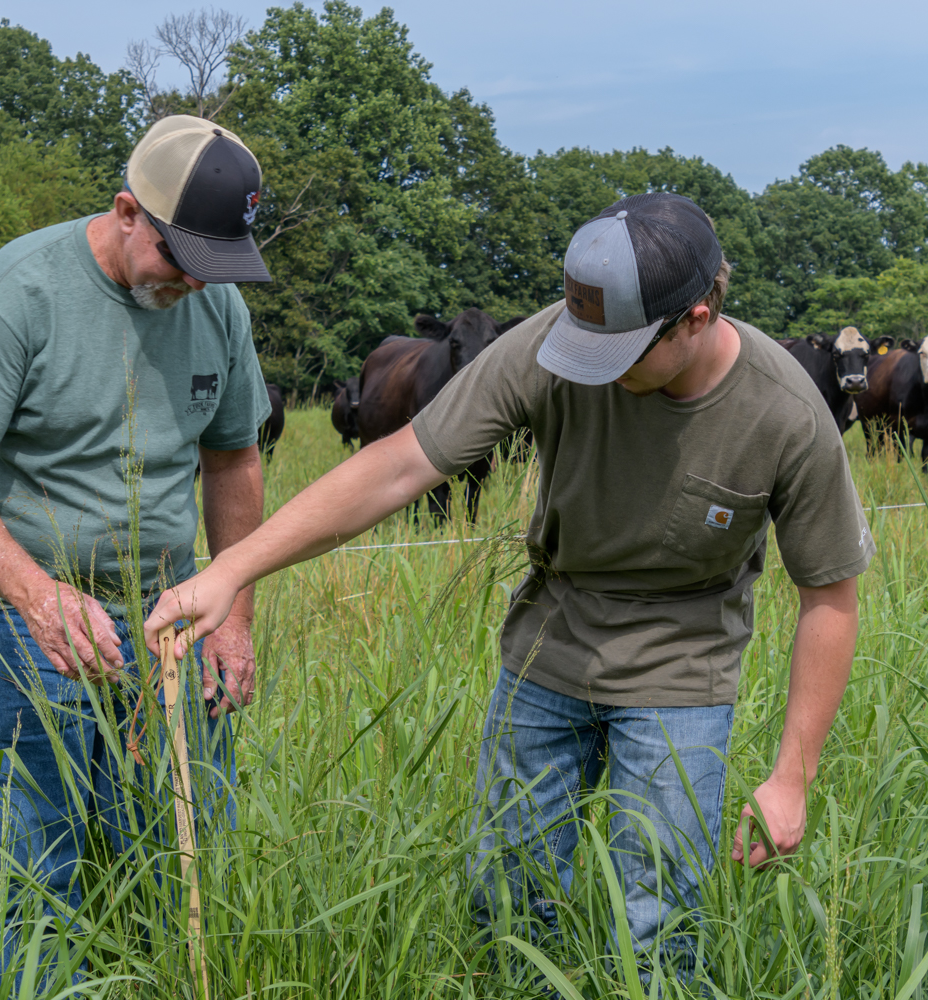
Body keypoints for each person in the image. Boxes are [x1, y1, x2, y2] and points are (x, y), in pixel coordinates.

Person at [143, 192, 872, 988]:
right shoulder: (557, 345)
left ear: (694, 320)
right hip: (550, 649)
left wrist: (791, 778)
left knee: (660, 919)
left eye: (618, 350)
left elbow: (829, 598)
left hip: (683, 667)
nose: (589, 364)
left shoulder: (785, 414)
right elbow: (400, 465)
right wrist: (232, 568)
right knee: (507, 899)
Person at [0, 115, 274, 990]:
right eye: (182, 257)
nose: (197, 281)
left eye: (219, 262)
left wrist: (232, 611)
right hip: (9, 620)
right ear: (126, 211)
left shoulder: (215, 303)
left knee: (174, 846)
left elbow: (234, 460)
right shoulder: (17, 293)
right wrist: (39, 597)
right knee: (31, 861)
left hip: (167, 614)